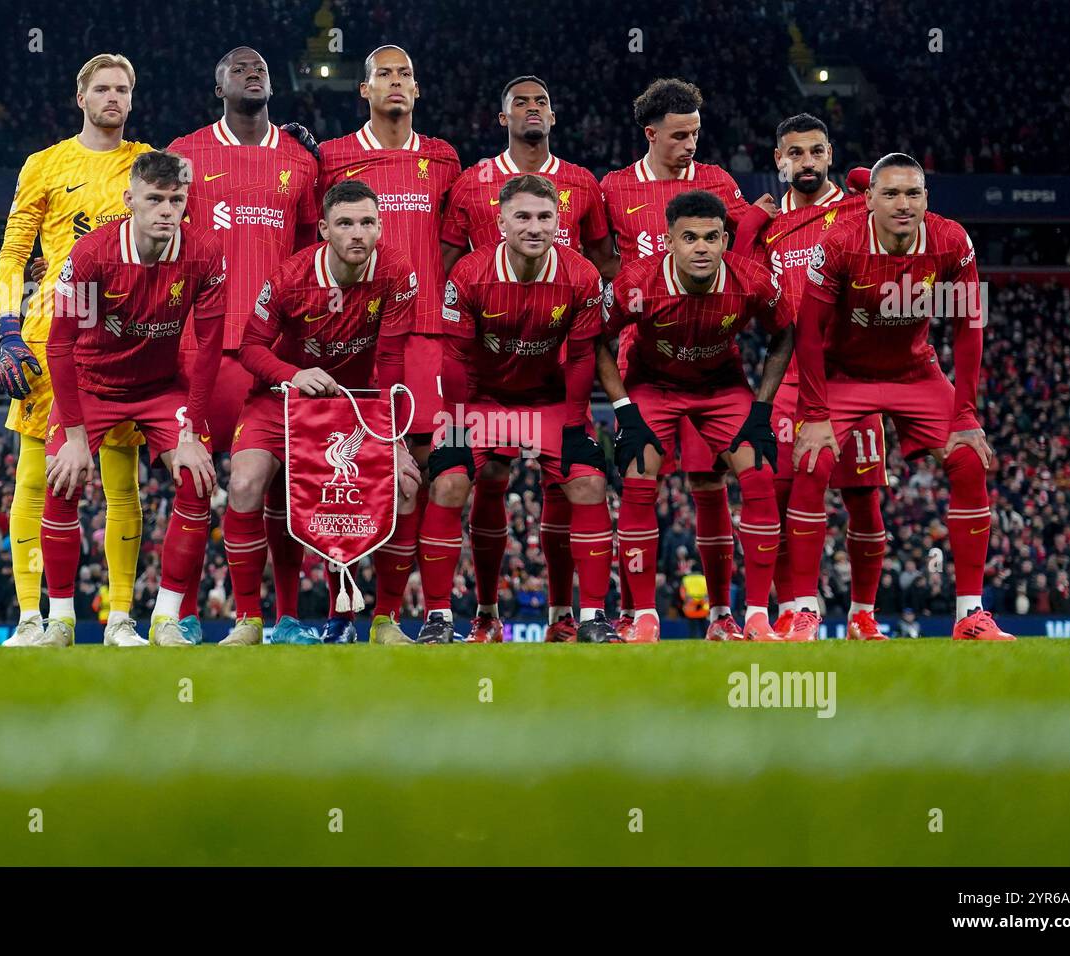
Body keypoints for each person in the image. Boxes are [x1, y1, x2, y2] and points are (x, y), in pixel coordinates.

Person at [787, 152, 1014, 641]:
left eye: (913, 193)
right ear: (868, 200)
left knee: (970, 461)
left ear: (926, 198)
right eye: (890, 193)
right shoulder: (841, 243)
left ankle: (970, 614)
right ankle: (804, 612)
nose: (903, 203)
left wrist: (966, 414)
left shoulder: (952, 240)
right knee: (812, 460)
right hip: (845, 374)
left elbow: (969, 325)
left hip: (915, 371)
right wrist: (817, 413)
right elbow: (808, 332)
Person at [439, 74, 617, 644]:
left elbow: (587, 340)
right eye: (520, 101)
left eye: (542, 100)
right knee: (474, 478)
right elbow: (455, 350)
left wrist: (572, 421)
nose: (535, 226)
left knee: (581, 483)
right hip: (486, 394)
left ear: (559, 220)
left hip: (549, 394)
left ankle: (575, 618)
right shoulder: (469, 203)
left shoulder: (582, 208)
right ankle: (474, 617)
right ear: (500, 222)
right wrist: (460, 419)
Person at [600, 78, 773, 641]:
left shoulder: (718, 181)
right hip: (646, 347)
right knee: (639, 478)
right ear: (651, 134)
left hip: (713, 350)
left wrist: (755, 223)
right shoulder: (616, 187)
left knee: (710, 483)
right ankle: (636, 613)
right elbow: (601, 259)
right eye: (679, 135)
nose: (690, 144)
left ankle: (725, 615)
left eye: (696, 133)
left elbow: (742, 240)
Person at [34, 150, 226, 647]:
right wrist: (75, 437)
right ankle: (60, 621)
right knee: (61, 479)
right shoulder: (91, 255)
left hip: (161, 387)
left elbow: (207, 349)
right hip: (92, 384)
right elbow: (59, 345)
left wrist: (189, 433)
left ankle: (165, 621)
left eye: (176, 200)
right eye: (155, 199)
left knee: (198, 479)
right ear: (130, 201)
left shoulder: (204, 253)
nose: (167, 210)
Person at [221, 179, 421, 646]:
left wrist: (394, 441)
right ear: (325, 230)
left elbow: (390, 362)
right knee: (246, 482)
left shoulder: (396, 272)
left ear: (380, 227)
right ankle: (248, 621)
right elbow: (250, 347)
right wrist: (292, 374)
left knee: (408, 485)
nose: (358, 233)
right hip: (282, 397)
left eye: (367, 222)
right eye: (345, 223)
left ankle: (386, 621)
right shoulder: (290, 277)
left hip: (355, 401)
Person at [0, 54, 152, 647]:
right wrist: (8, 330)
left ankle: (120, 620)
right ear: (80, 97)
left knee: (121, 485)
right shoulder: (44, 165)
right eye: (103, 88)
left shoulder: (145, 164)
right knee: (36, 480)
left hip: (127, 337)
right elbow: (14, 255)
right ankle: (34, 619)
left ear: (132, 100)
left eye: (123, 89)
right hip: (51, 333)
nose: (113, 97)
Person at [165, 45, 321, 643]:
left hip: (278, 353)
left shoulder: (300, 161)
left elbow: (312, 255)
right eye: (238, 68)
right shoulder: (184, 153)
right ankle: (177, 616)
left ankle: (279, 619)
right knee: (196, 482)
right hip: (201, 347)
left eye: (262, 66)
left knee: (277, 485)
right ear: (218, 86)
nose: (254, 72)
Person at [315, 45, 461, 639]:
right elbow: (314, 238)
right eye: (384, 75)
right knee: (342, 478)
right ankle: (336, 614)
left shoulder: (444, 158)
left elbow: (453, 241)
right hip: (347, 337)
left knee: (421, 474)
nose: (395, 83)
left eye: (405, 74)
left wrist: (427, 287)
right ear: (365, 90)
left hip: (425, 335)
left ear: (417, 89)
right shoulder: (333, 158)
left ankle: (388, 614)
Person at [730, 113, 888, 640]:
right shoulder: (771, 227)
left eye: (816, 152)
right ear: (779, 161)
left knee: (861, 497)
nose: (807, 162)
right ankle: (796, 608)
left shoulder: (856, 210)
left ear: (830, 156)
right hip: (790, 377)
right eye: (795, 153)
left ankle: (862, 614)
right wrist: (749, 228)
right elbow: (739, 289)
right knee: (776, 494)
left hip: (850, 377)